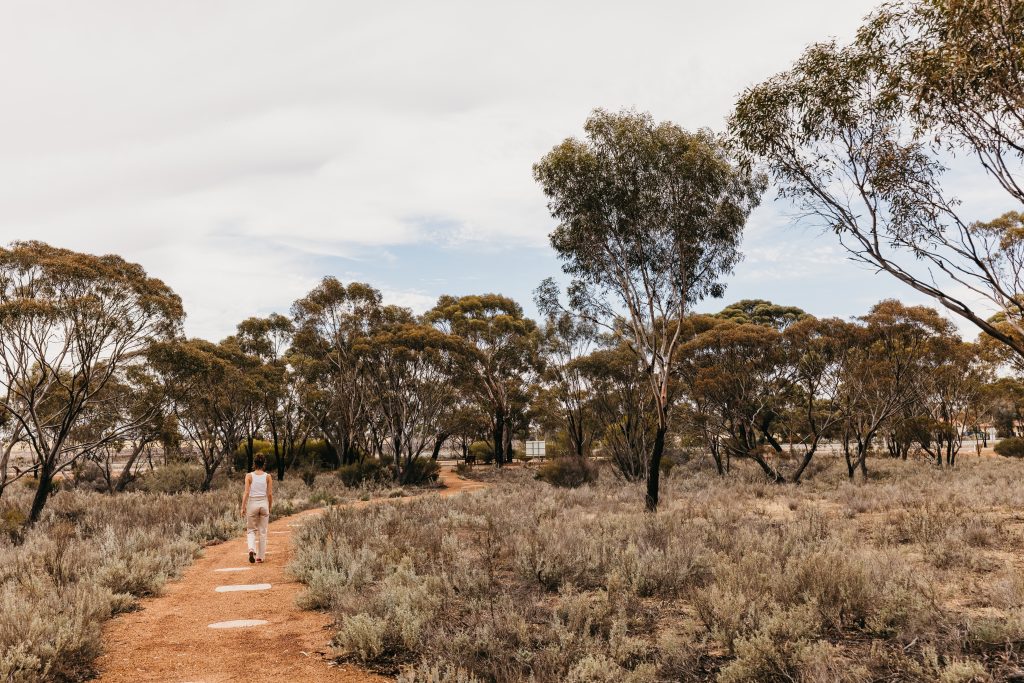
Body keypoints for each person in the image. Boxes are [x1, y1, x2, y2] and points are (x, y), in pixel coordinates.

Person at [241, 454, 273, 564]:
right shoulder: (268, 476)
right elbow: (269, 494)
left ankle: (251, 549)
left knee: (251, 529)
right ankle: (260, 557)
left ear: (254, 463)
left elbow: (246, 492)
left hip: (252, 504)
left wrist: (243, 507)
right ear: (264, 464)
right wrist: (269, 506)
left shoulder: (249, 476)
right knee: (263, 531)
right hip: (264, 503)